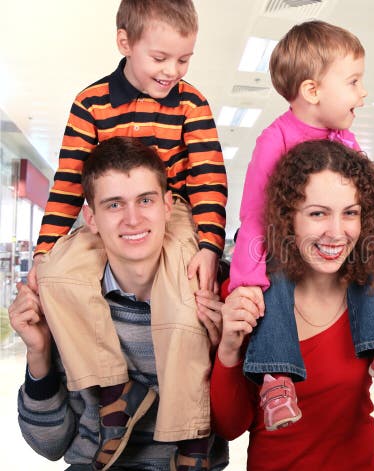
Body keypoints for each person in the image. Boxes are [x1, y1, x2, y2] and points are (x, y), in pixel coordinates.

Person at [26, 1, 226, 468]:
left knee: (184, 294)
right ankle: (115, 390)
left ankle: (192, 432)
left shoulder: (191, 103)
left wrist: (210, 245)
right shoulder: (90, 102)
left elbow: (209, 178)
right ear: (124, 43)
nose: (172, 71)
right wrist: (42, 254)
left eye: (184, 59)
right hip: (107, 210)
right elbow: (68, 184)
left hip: (172, 211)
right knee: (56, 274)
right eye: (160, 58)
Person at [227, 20, 374, 431]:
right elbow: (255, 215)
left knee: (365, 261)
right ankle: (276, 378)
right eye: (353, 81)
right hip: (282, 252)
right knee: (274, 284)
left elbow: (373, 214)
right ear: (312, 90)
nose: (363, 93)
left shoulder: (346, 143)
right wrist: (246, 278)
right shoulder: (274, 138)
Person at [212, 140, 374, 470]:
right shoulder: (249, 296)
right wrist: (228, 350)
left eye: (350, 213)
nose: (335, 232)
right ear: (288, 218)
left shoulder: (373, 293)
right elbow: (230, 427)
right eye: (317, 213)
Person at [12, 137, 227, 471]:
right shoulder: (65, 302)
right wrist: (38, 353)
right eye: (114, 205)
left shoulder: (214, 292)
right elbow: (49, 445)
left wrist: (226, 356)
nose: (132, 219)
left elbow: (237, 426)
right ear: (91, 219)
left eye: (145, 200)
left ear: (168, 207)